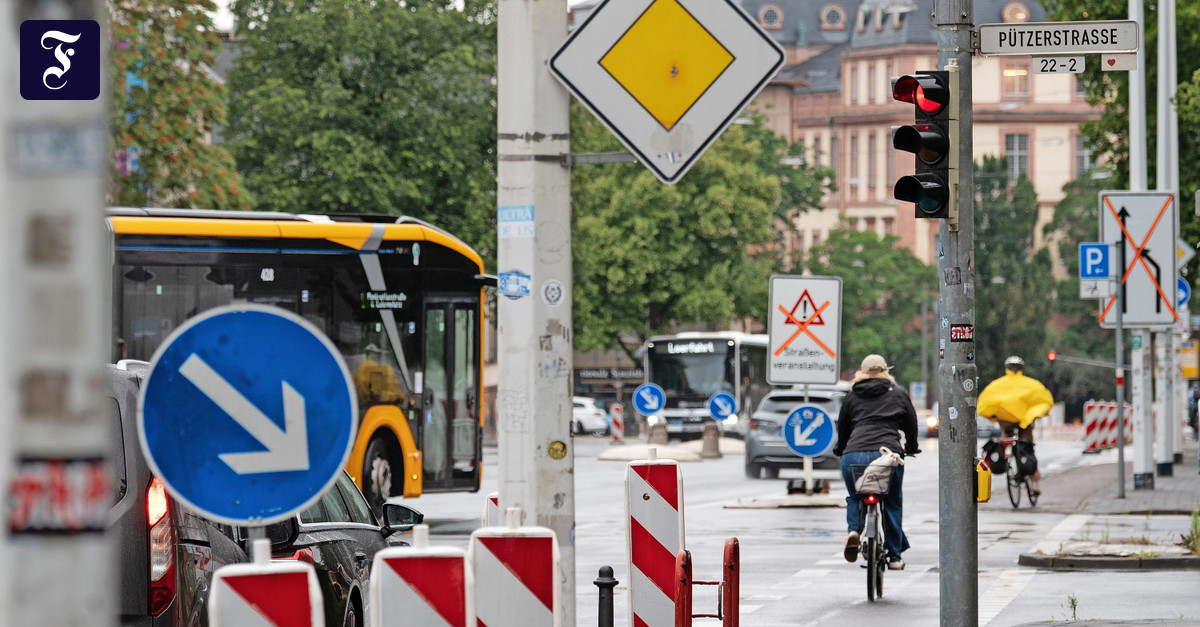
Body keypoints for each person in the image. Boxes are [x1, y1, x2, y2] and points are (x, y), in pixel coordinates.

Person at [834, 354, 920, 571]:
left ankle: (854, 530)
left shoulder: (852, 396)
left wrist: (840, 449)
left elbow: (842, 428)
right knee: (891, 503)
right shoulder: (898, 394)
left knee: (855, 497)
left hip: (853, 454)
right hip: (887, 455)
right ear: (885, 371)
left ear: (861, 372)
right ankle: (894, 557)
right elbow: (911, 423)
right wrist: (911, 447)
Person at [976, 355, 1054, 494]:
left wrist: (994, 416)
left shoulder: (997, 384)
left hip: (1006, 422)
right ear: (1021, 368)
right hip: (1024, 422)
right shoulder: (1031, 384)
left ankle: (1005, 452)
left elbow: (985, 401)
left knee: (1006, 436)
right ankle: (1034, 481)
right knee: (1028, 447)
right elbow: (1044, 399)